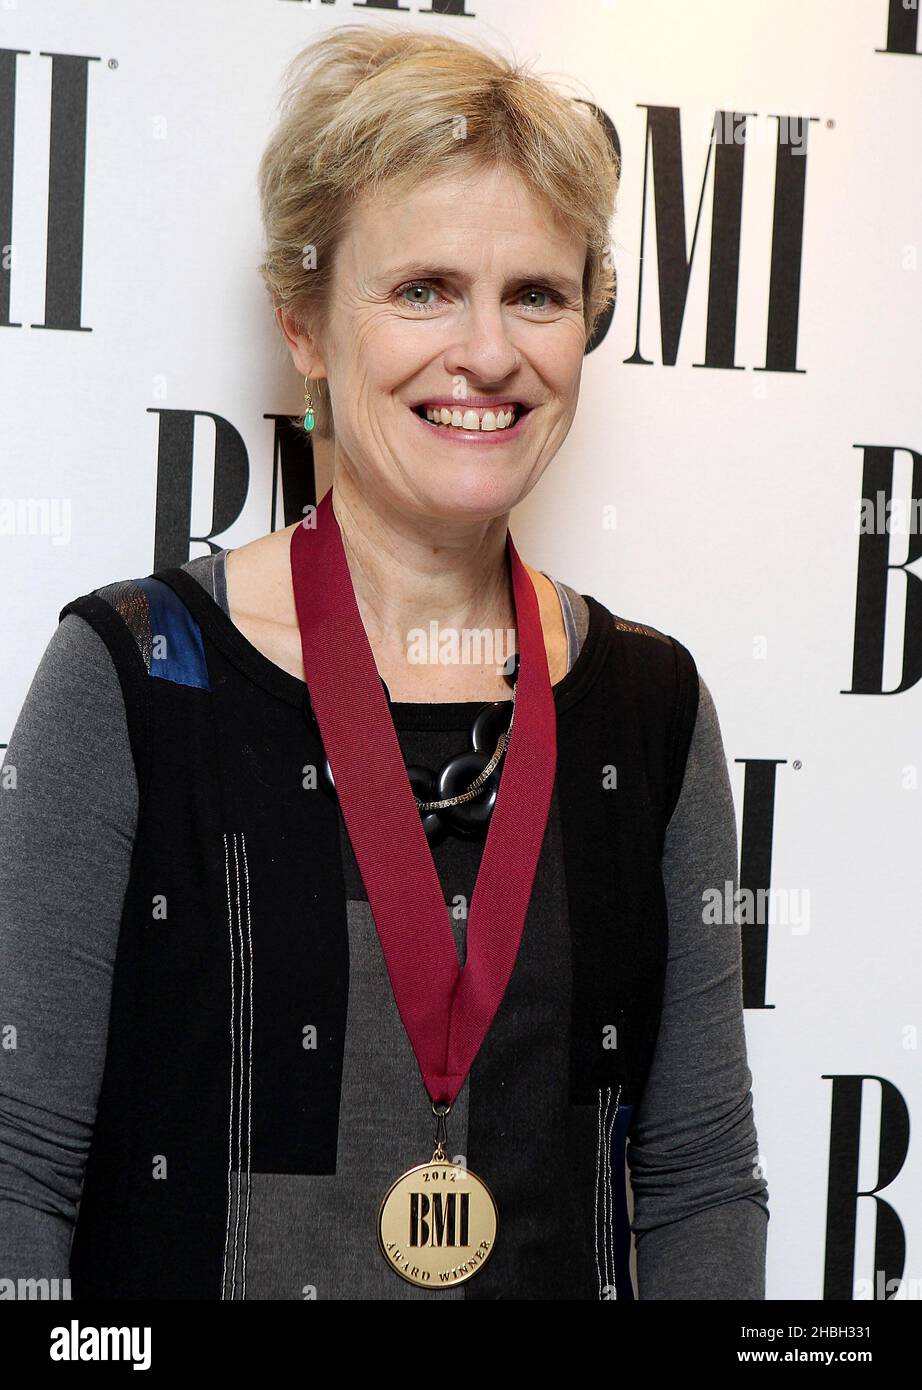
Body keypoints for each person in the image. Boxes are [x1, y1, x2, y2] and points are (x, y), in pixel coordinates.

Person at [0, 23, 768, 1300]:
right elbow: (16, 1171)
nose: (485, 352)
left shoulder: (651, 708)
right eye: (421, 289)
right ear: (302, 323)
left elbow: (694, 1182)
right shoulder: (135, 680)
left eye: (536, 292)